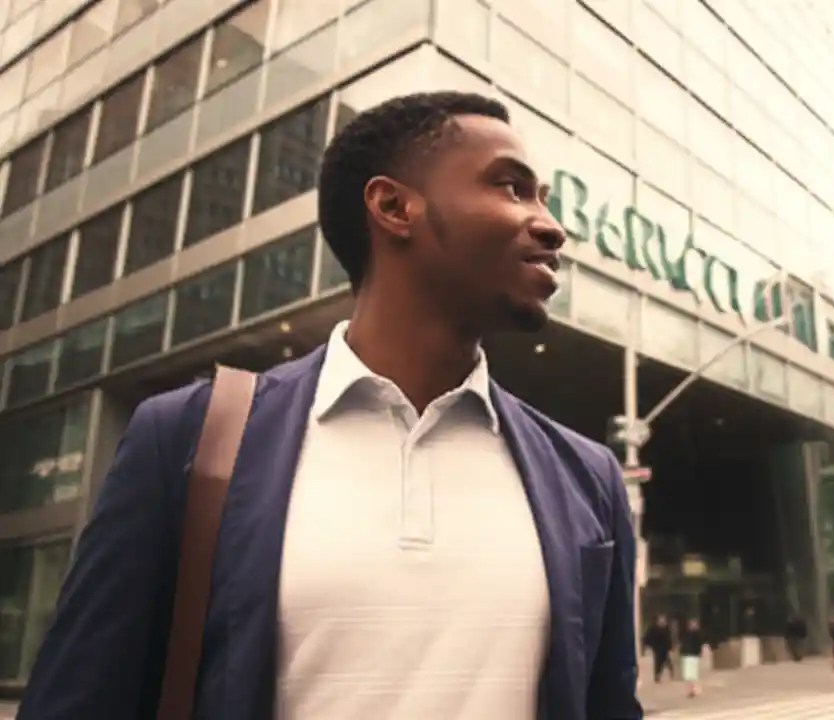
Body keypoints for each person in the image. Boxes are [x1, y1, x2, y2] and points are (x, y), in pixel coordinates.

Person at [18, 92, 642, 720]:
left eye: (543, 199)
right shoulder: (187, 438)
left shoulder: (587, 477)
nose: (551, 226)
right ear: (393, 207)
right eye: (512, 188)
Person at [643, 615, 675, 683]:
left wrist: (671, 646)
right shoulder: (653, 628)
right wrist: (648, 645)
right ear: (658, 621)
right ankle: (657, 675)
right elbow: (647, 637)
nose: (662, 622)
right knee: (658, 662)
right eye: (661, 621)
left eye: (663, 621)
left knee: (667, 661)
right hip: (657, 648)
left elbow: (669, 639)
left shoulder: (666, 629)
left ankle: (670, 672)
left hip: (664, 648)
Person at [680, 618, 707, 698]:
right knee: (691, 674)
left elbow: (684, 645)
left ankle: (691, 690)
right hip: (691, 655)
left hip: (690, 655)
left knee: (690, 674)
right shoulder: (695, 635)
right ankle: (691, 690)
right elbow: (699, 644)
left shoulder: (687, 634)